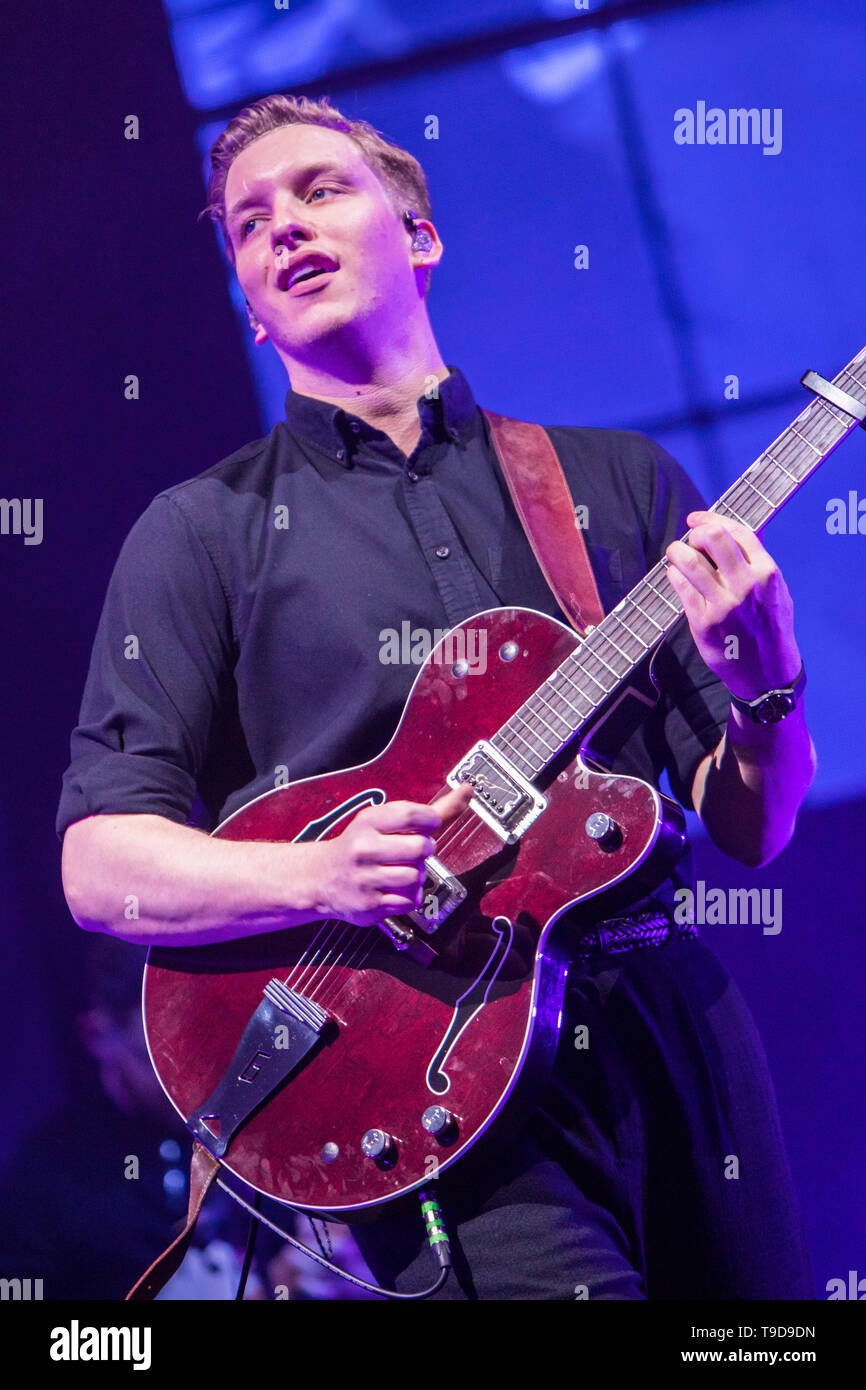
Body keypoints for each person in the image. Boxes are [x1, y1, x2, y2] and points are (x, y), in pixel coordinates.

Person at [58, 94, 817, 1300]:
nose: (284, 231)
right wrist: (321, 874)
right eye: (249, 225)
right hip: (435, 1080)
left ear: (418, 235)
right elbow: (100, 865)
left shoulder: (609, 481)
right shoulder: (200, 534)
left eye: (319, 191)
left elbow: (749, 827)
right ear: (250, 312)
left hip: (672, 1036)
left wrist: (764, 687)